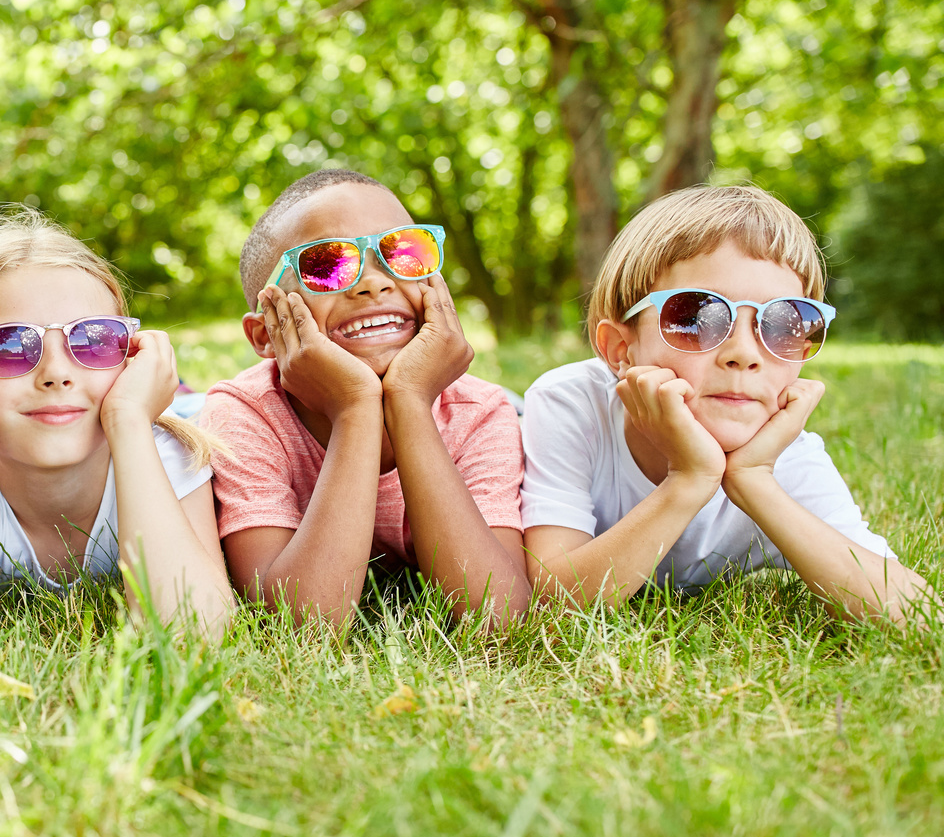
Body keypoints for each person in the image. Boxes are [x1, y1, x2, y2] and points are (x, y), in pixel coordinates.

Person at [521, 184, 928, 619]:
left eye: (785, 323)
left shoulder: (788, 456)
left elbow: (918, 614)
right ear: (621, 350)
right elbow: (553, 603)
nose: (745, 354)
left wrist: (754, 479)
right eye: (697, 318)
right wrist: (689, 479)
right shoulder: (572, 405)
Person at [0, 209, 233, 655]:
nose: (55, 373)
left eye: (94, 340)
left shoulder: (167, 456)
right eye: (9, 345)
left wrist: (129, 419)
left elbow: (197, 638)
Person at [203, 168, 529, 627]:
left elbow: (498, 620)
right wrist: (356, 408)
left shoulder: (479, 413)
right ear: (264, 333)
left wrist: (410, 401)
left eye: (404, 252)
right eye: (326, 265)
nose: (374, 283)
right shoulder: (245, 415)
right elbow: (302, 629)